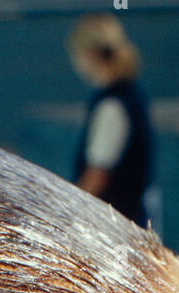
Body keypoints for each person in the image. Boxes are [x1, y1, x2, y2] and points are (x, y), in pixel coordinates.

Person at [66, 14, 154, 228]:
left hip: (114, 229)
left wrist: (67, 213)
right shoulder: (130, 97)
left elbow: (98, 174)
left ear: (89, 55)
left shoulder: (112, 106)